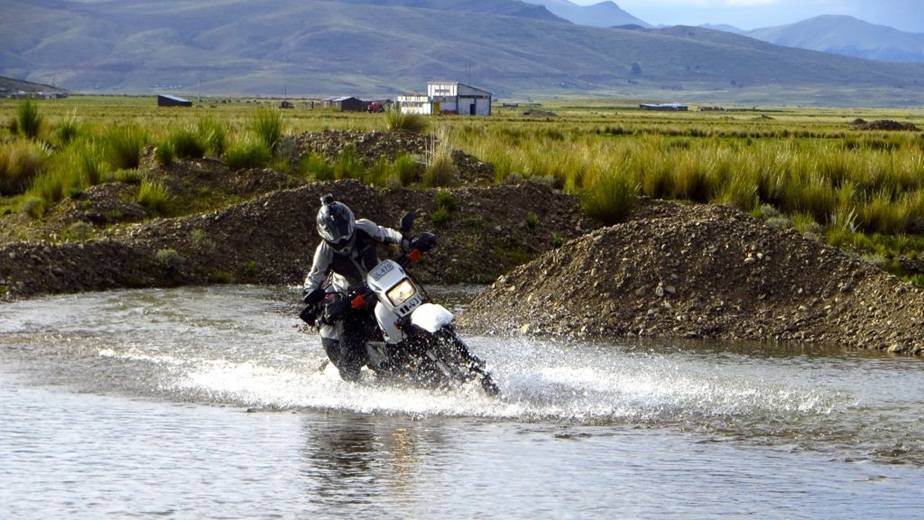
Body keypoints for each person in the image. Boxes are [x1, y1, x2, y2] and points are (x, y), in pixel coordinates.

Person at [301, 194, 406, 382]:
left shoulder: (363, 227)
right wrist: (310, 293)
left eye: (342, 226)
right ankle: (355, 382)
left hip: (383, 285)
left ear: (348, 219)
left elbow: (387, 233)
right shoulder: (324, 250)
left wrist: (406, 241)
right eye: (334, 231)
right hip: (349, 300)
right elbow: (313, 278)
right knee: (350, 363)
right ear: (324, 230)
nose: (341, 236)